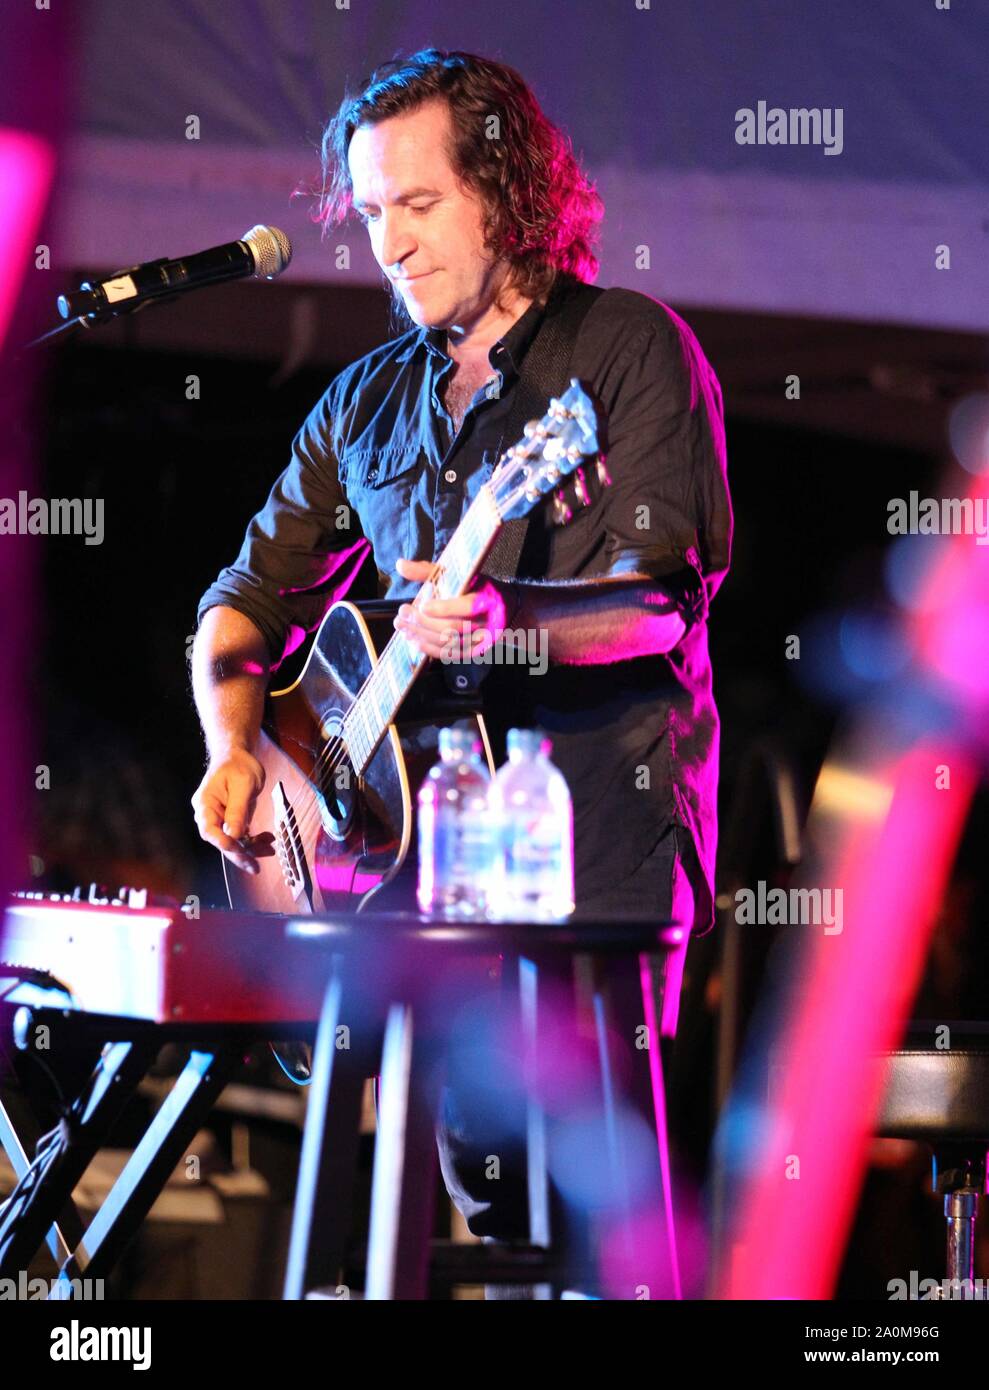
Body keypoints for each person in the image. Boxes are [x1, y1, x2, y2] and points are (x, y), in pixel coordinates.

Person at [190, 48, 731, 1255]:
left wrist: (507, 622)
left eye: (420, 204)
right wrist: (234, 742)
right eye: (372, 211)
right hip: (409, 875)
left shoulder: (627, 348)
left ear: (508, 191)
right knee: (467, 1214)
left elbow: (659, 607)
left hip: (594, 850)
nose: (390, 242)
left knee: (584, 1224)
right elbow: (241, 600)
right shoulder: (365, 403)